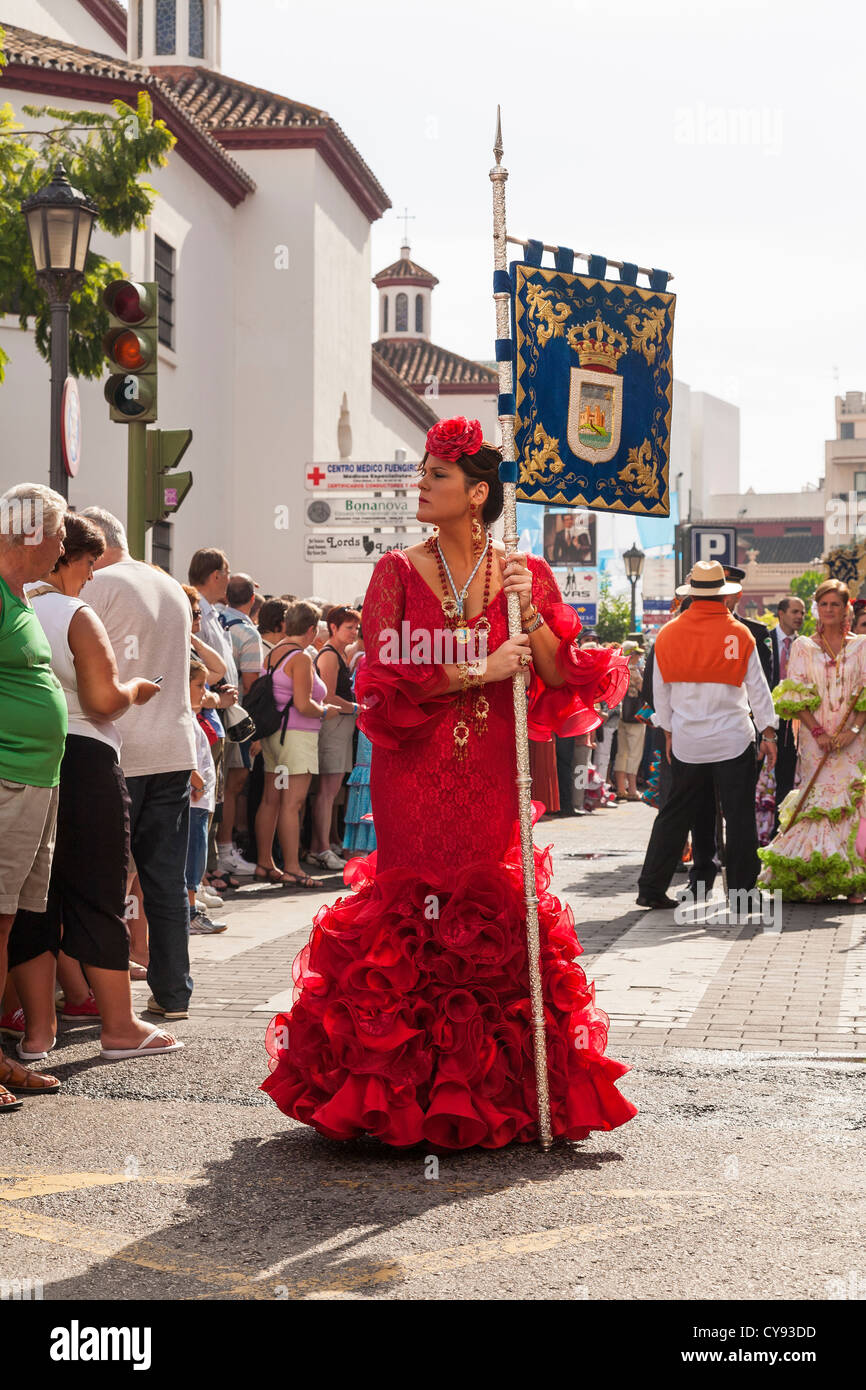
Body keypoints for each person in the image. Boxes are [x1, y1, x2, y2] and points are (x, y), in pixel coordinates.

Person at [262, 416, 634, 1148]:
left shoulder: (527, 573)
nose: (420, 484)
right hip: (415, 774)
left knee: (486, 904)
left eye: (436, 474)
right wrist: (481, 669)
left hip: (492, 771)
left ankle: (489, 1094)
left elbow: (562, 677)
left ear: (477, 494)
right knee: (416, 905)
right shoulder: (395, 572)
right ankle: (393, 1094)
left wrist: (536, 615)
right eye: (423, 471)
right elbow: (381, 688)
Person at [9, 514, 180, 1059]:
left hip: (31, 760)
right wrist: (136, 689)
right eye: (87, 562)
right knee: (99, 890)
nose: (90, 575)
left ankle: (38, 1033)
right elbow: (103, 700)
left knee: (35, 899)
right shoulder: (73, 612)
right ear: (68, 557)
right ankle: (120, 1028)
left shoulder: (19, 608)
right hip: (85, 758)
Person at [82, 508, 197, 1021]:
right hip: (173, 746)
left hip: (118, 746)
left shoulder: (99, 583)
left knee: (104, 881)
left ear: (96, 543)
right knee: (165, 878)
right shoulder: (168, 584)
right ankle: (174, 993)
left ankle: (102, 1000)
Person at [636, 561, 778, 910]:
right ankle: (742, 895)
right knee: (740, 816)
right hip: (733, 738)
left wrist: (668, 733)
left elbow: (660, 694)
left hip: (687, 742)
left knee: (674, 814)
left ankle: (651, 888)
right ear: (723, 594)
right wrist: (769, 732)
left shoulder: (669, 634)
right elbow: (758, 690)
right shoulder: (739, 634)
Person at [0, 483, 68, 1110]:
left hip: (33, 782)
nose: (64, 544)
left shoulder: (23, 596)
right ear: (29, 533)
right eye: (58, 532)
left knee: (9, 922)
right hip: (9, 780)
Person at [759, 579, 866, 902]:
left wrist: (855, 730)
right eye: (823, 604)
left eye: (835, 604)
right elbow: (794, 694)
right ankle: (816, 875)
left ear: (846, 608)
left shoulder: (861, 646)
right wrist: (818, 731)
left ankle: (854, 881)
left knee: (851, 802)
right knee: (817, 801)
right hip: (814, 738)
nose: (829, 610)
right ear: (816, 608)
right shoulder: (804, 646)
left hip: (853, 739)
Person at [253, 601, 338, 888]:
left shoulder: (273, 653)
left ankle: (266, 862)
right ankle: (292, 867)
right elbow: (304, 704)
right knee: (293, 803)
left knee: (271, 799)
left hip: (275, 736)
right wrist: (326, 710)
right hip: (296, 737)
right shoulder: (300, 658)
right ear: (312, 629)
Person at [187, 549, 253, 880]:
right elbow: (198, 670)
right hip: (204, 714)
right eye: (226, 573)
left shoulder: (212, 612)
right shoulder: (195, 608)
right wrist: (214, 697)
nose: (229, 579)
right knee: (202, 799)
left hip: (216, 713)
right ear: (216, 575)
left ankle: (205, 873)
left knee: (213, 795)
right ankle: (200, 878)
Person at [309, 606, 360, 870]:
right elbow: (327, 696)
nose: (354, 632)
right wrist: (356, 708)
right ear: (333, 628)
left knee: (332, 790)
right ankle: (321, 849)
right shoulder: (329, 655)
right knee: (327, 792)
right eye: (349, 627)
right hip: (333, 725)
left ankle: (327, 843)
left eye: (356, 628)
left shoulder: (340, 653)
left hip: (341, 725)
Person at [186, 658, 225, 933]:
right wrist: (197, 782)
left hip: (200, 803)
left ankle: (190, 910)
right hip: (192, 802)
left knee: (196, 858)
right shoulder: (182, 718)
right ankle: (188, 913)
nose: (204, 691)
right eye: (198, 685)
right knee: (191, 859)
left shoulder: (191, 716)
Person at [769, 596, 806, 831]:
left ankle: (780, 829)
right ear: (781, 613)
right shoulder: (764, 641)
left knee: (786, 777)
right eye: (794, 612)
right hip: (765, 722)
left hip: (794, 723)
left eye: (802, 613)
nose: (799, 617)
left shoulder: (805, 645)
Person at [614, 642, 646, 801]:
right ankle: (632, 789)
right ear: (631, 655)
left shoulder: (618, 668)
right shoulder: (634, 671)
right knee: (634, 753)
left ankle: (621, 788)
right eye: (637, 654)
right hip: (635, 718)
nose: (639, 657)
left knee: (622, 753)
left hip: (621, 715)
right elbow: (644, 690)